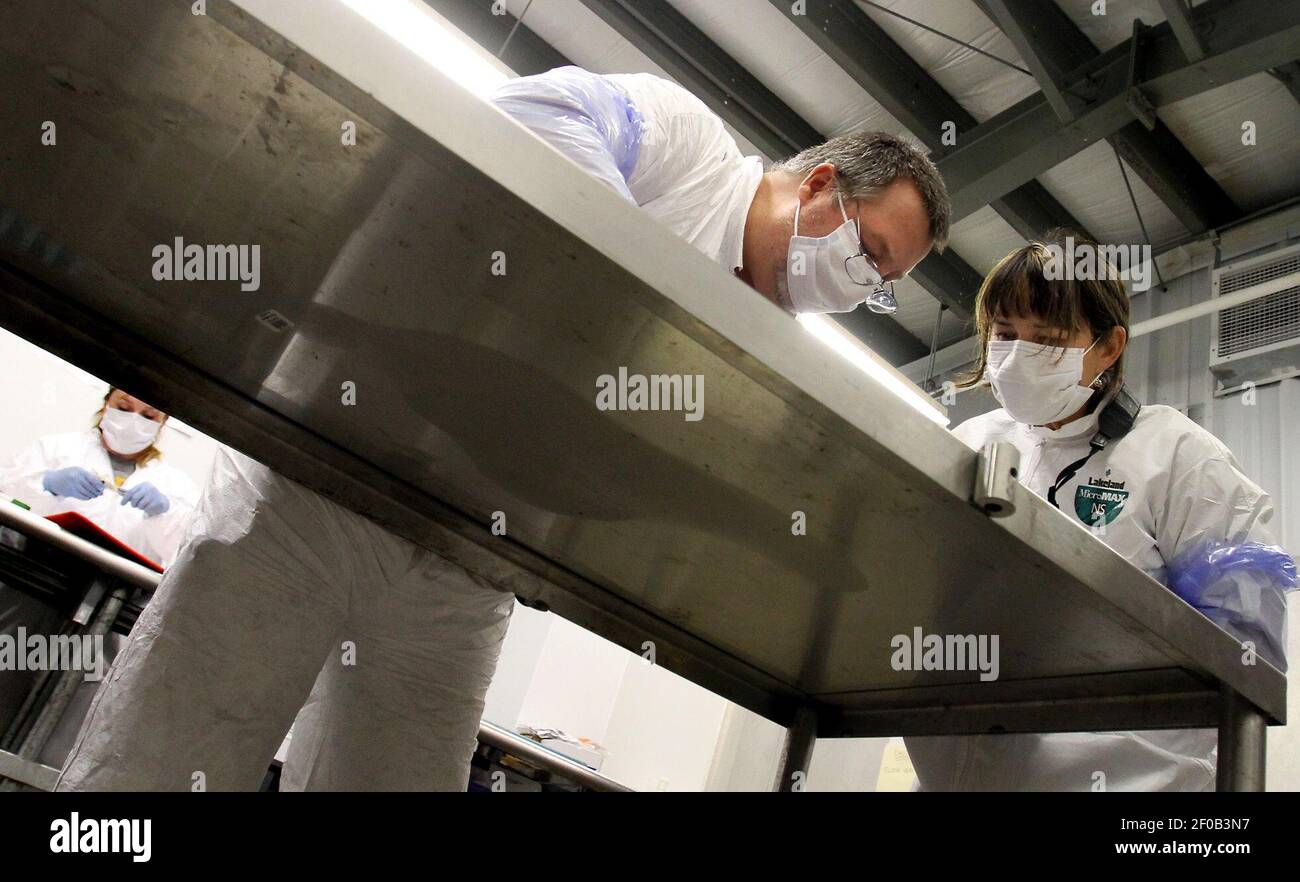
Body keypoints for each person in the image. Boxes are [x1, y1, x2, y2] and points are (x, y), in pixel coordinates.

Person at [57, 66, 953, 791]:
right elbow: (529, 114)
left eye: (878, 284)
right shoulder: (684, 146)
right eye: (870, 252)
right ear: (824, 185)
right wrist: (636, 294)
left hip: (468, 570)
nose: (858, 285)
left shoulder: (764, 359)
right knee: (164, 752)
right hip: (322, 482)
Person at [905, 233, 1295, 791]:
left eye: (1046, 341)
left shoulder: (1176, 457)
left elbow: (1248, 654)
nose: (1016, 357)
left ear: (1108, 348)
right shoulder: (971, 444)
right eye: (1005, 334)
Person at [0, 387, 199, 765]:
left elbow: (183, 552)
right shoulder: (56, 450)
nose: (133, 420)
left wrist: (165, 512)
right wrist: (45, 482)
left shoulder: (175, 487)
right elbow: (7, 491)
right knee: (6, 679)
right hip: (31, 593)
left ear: (161, 426)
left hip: (105, 617)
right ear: (105, 405)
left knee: (65, 718)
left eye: (148, 415)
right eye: (124, 407)